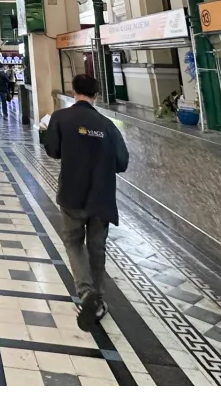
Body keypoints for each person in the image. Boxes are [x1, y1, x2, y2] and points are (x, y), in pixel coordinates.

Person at [42, 74, 129, 330]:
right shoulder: (108, 125)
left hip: (72, 193)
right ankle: (98, 299)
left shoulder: (60, 118)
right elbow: (122, 163)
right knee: (97, 247)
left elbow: (53, 151)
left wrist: (46, 135)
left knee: (72, 242)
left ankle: (85, 291)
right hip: (101, 196)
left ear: (73, 91)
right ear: (96, 94)